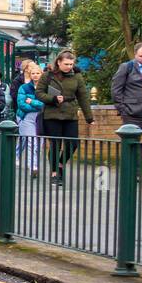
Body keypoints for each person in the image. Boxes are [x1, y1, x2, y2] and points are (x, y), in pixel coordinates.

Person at [36, 49, 94, 187]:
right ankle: (55, 173)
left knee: (73, 144)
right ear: (59, 62)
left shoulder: (77, 76)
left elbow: (83, 97)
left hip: (70, 113)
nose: (69, 67)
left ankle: (60, 164)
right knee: (55, 145)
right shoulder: (47, 75)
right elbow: (38, 93)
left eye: (71, 64)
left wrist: (89, 117)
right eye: (66, 64)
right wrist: (53, 98)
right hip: (52, 114)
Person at [111, 42, 142, 176]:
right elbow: (116, 89)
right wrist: (123, 109)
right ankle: (134, 173)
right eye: (141, 56)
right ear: (135, 55)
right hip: (132, 113)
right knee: (133, 144)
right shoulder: (127, 67)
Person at [15, 60, 45, 178]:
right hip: (26, 117)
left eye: (38, 73)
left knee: (39, 142)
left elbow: (46, 104)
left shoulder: (46, 88)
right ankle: (33, 167)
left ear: (41, 74)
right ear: (30, 75)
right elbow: (22, 104)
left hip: (41, 118)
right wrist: (37, 105)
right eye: (33, 73)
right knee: (31, 141)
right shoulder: (24, 87)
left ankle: (33, 163)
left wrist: (32, 101)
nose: (35, 75)